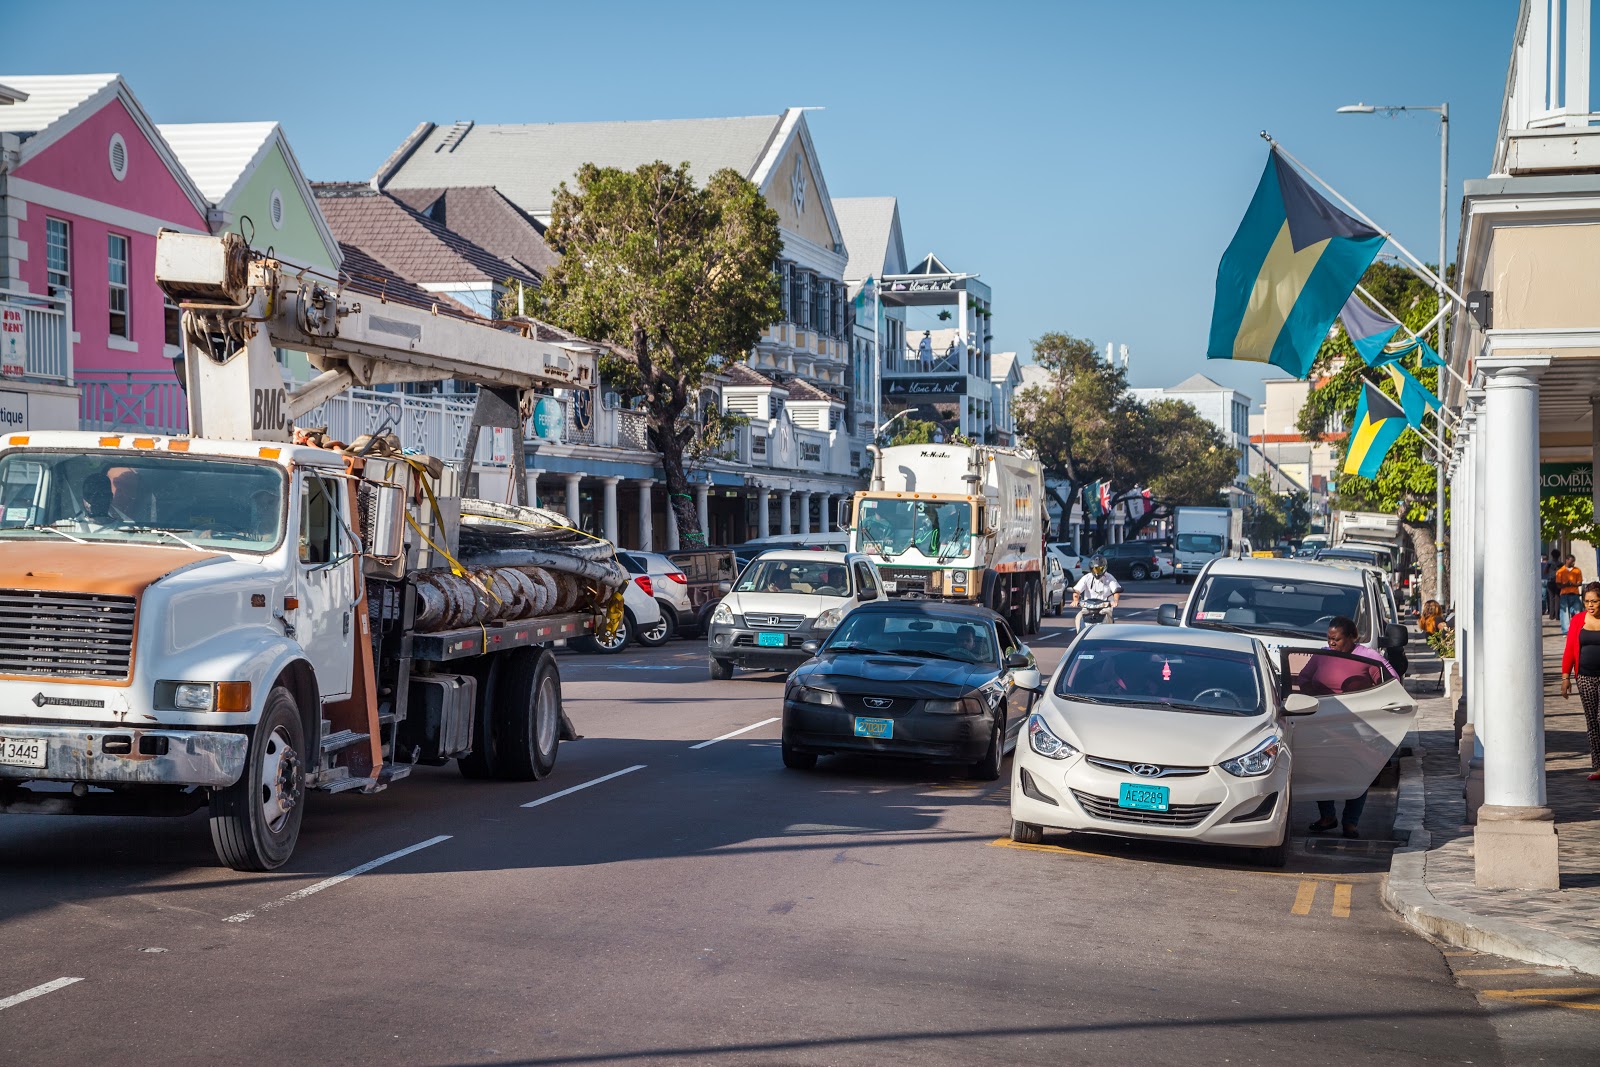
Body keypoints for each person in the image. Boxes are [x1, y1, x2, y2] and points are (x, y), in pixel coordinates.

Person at [1305, 616, 1397, 838]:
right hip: (1325, 723)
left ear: (1352, 637)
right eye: (1329, 639)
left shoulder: (1369, 658)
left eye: (1336, 639)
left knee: (1358, 772)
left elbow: (1392, 682)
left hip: (1358, 725)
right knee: (1322, 771)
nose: (1331, 644)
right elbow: (1305, 678)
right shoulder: (1322, 656)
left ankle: (1351, 823)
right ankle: (1328, 816)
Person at [1560, 581, 1600, 782]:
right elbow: (1569, 650)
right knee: (1592, 721)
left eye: (1594, 601)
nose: (1590, 605)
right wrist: (1565, 677)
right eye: (1586, 601)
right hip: (1585, 677)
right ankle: (1599, 766)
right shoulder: (1578, 620)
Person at [1071, 554, 1121, 629]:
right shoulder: (1086, 577)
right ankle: (1080, 635)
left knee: (1108, 617)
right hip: (1087, 608)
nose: (1097, 572)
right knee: (1078, 617)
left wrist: (1115, 601)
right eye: (1095, 569)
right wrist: (1075, 600)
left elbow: (1116, 590)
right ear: (1091, 568)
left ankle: (1109, 633)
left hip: (1104, 608)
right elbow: (1077, 590)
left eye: (1099, 569)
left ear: (1104, 568)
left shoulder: (1110, 578)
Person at [1558, 554, 1584, 629]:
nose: (1573, 563)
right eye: (1571, 561)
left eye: (1574, 562)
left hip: (1575, 594)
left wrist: (1573, 584)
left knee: (1578, 611)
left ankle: (1578, 627)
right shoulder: (1560, 571)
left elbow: (1580, 583)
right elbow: (1558, 585)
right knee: (1564, 613)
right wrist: (1566, 585)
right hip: (1564, 594)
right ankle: (1566, 630)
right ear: (1567, 560)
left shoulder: (1577, 570)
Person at [1545, 548, 1563, 620]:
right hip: (1558, 582)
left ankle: (1551, 615)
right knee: (1557, 598)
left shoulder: (1549, 563)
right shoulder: (1561, 564)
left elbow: (1545, 571)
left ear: (1552, 555)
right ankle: (1557, 615)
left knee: (1551, 598)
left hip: (1550, 581)